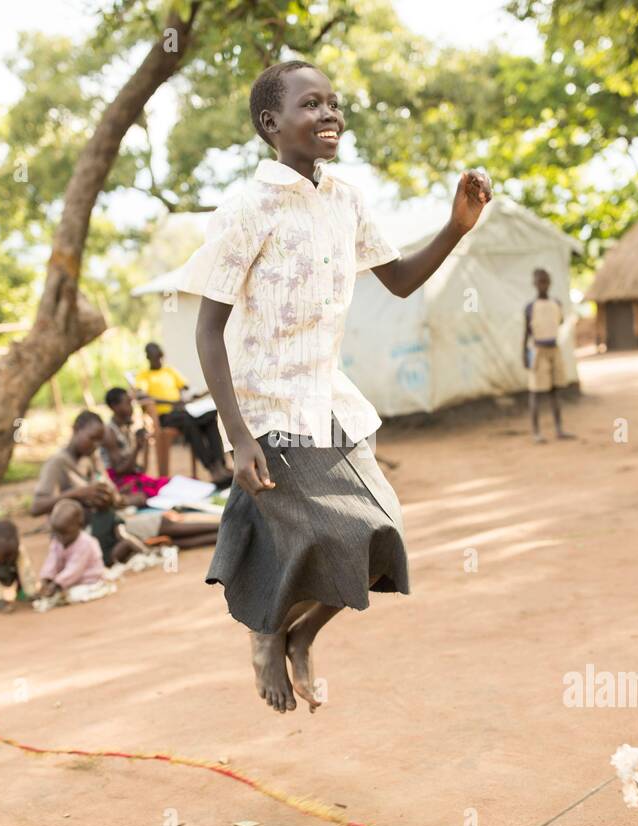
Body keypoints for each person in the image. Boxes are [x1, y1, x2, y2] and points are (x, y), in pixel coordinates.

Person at [188, 59, 492, 714]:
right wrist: (238, 436)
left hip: (332, 402)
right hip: (268, 407)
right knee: (323, 536)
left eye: (333, 104)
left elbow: (401, 279)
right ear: (271, 123)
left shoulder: (347, 198)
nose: (328, 114)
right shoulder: (245, 211)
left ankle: (299, 636)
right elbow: (209, 331)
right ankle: (268, 635)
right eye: (310, 105)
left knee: (382, 536)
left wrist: (456, 228)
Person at [32, 410, 221, 562]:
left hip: (108, 522)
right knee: (163, 525)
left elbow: (107, 492)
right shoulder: (57, 464)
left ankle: (224, 534)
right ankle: (225, 530)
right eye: (92, 438)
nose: (96, 445)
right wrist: (79, 493)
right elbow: (36, 506)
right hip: (88, 533)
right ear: (76, 429)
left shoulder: (89, 458)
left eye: (99, 441)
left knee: (168, 535)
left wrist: (120, 497)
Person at [134, 343, 233, 487]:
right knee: (189, 421)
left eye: (161, 357)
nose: (160, 361)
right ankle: (211, 468)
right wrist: (171, 402)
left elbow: (186, 387)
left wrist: (191, 395)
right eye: (156, 358)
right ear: (148, 358)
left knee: (210, 418)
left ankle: (220, 465)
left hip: (182, 412)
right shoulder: (144, 375)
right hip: (165, 416)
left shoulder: (169, 371)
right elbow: (141, 395)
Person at [34, 499, 114, 611]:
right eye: (56, 533)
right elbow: (51, 560)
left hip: (88, 581)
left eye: (65, 533)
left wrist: (56, 584)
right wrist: (46, 579)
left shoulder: (86, 543)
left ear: (79, 525)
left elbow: (75, 569)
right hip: (68, 581)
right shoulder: (57, 540)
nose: (61, 538)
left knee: (73, 595)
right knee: (55, 594)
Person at [523, 268, 574, 442]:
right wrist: (524, 354)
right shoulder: (530, 307)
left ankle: (559, 429)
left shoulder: (556, 304)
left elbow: (558, 323)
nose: (543, 285)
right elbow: (526, 333)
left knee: (554, 391)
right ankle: (536, 433)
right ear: (534, 284)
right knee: (536, 392)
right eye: (540, 281)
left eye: (545, 281)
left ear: (549, 282)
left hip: (554, 349)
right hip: (538, 351)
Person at [102, 386, 170, 497]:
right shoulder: (109, 432)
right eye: (128, 403)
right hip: (121, 483)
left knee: (169, 483)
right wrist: (137, 448)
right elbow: (119, 471)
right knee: (160, 490)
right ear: (115, 407)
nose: (131, 408)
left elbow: (142, 470)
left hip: (131, 478)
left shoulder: (126, 429)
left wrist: (144, 444)